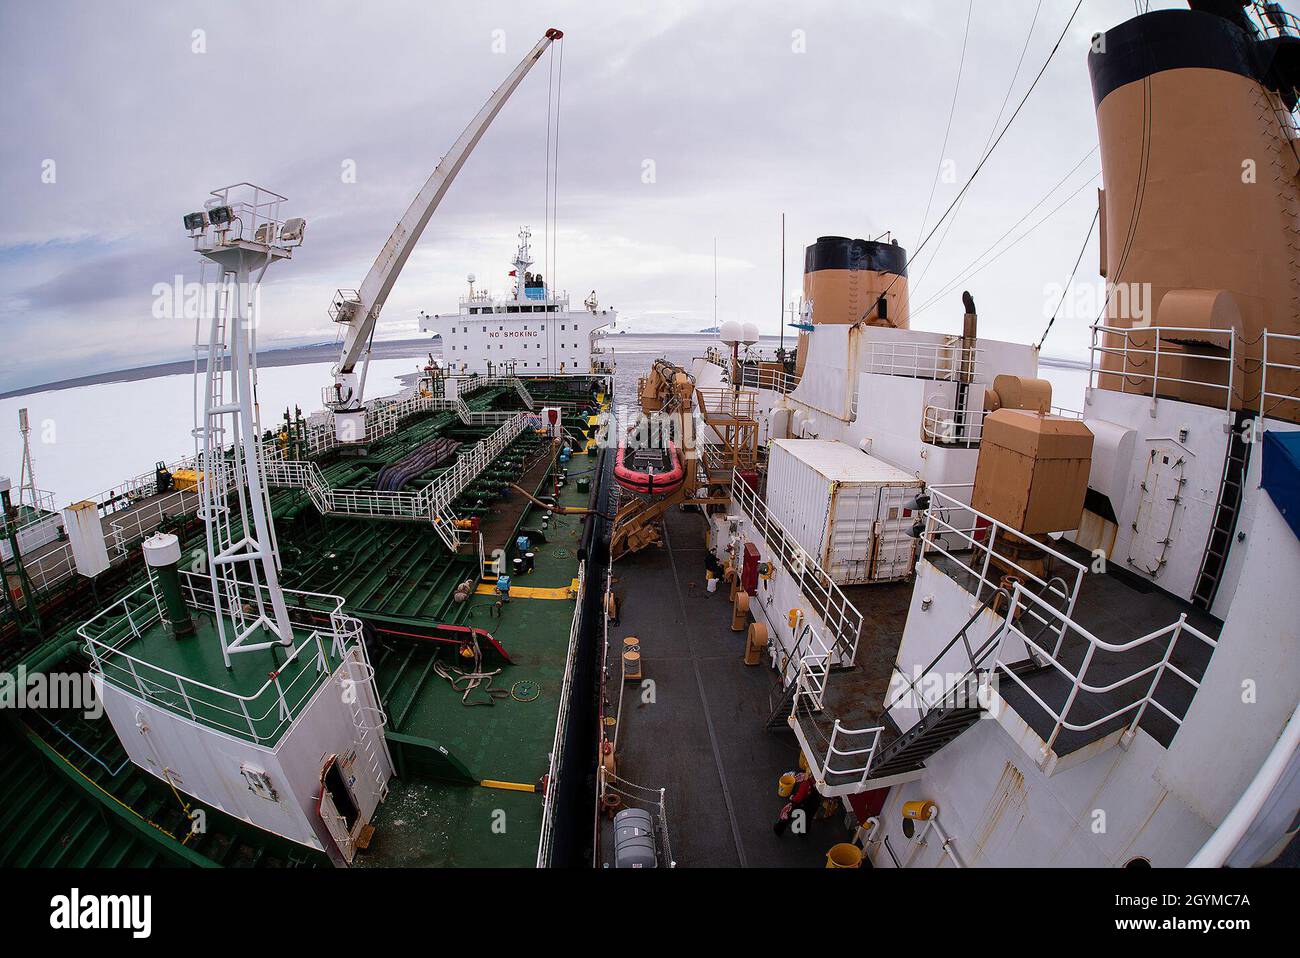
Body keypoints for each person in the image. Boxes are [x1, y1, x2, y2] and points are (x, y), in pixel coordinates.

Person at [773, 771, 821, 837]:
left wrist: (792, 800)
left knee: (788, 815)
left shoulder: (805, 784)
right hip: (814, 803)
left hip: (803, 803)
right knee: (807, 819)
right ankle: (803, 834)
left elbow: (798, 798)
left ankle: (779, 829)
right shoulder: (818, 783)